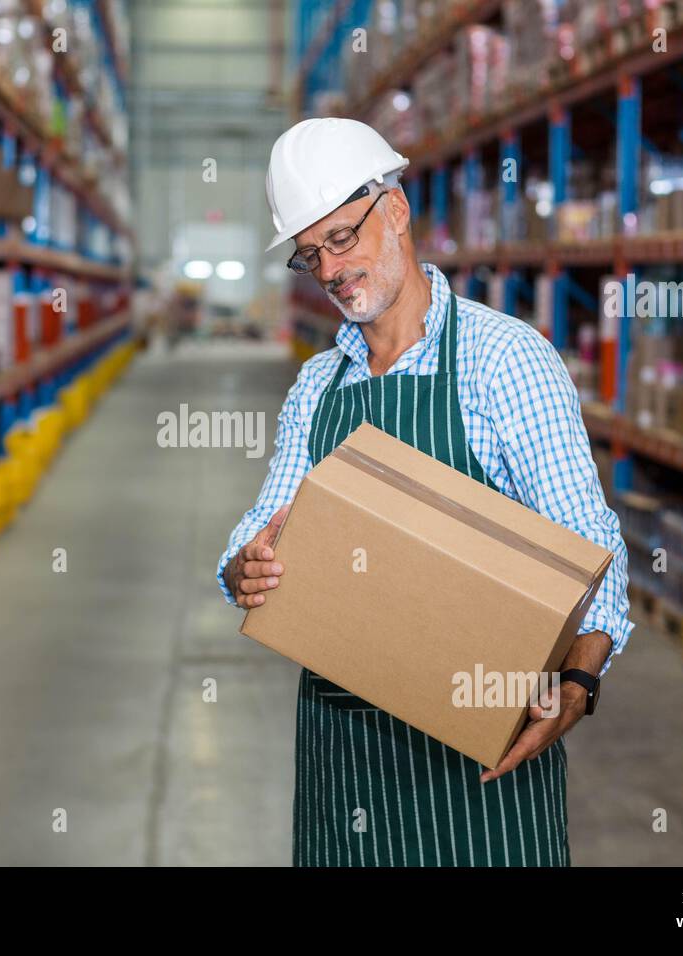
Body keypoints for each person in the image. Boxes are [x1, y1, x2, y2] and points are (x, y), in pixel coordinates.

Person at [216, 117, 632, 867]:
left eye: (343, 236)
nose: (333, 268)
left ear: (397, 209)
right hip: (344, 771)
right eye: (311, 255)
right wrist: (240, 565)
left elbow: (589, 546)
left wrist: (577, 682)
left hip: (483, 770)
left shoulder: (503, 360)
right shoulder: (318, 387)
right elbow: (264, 520)